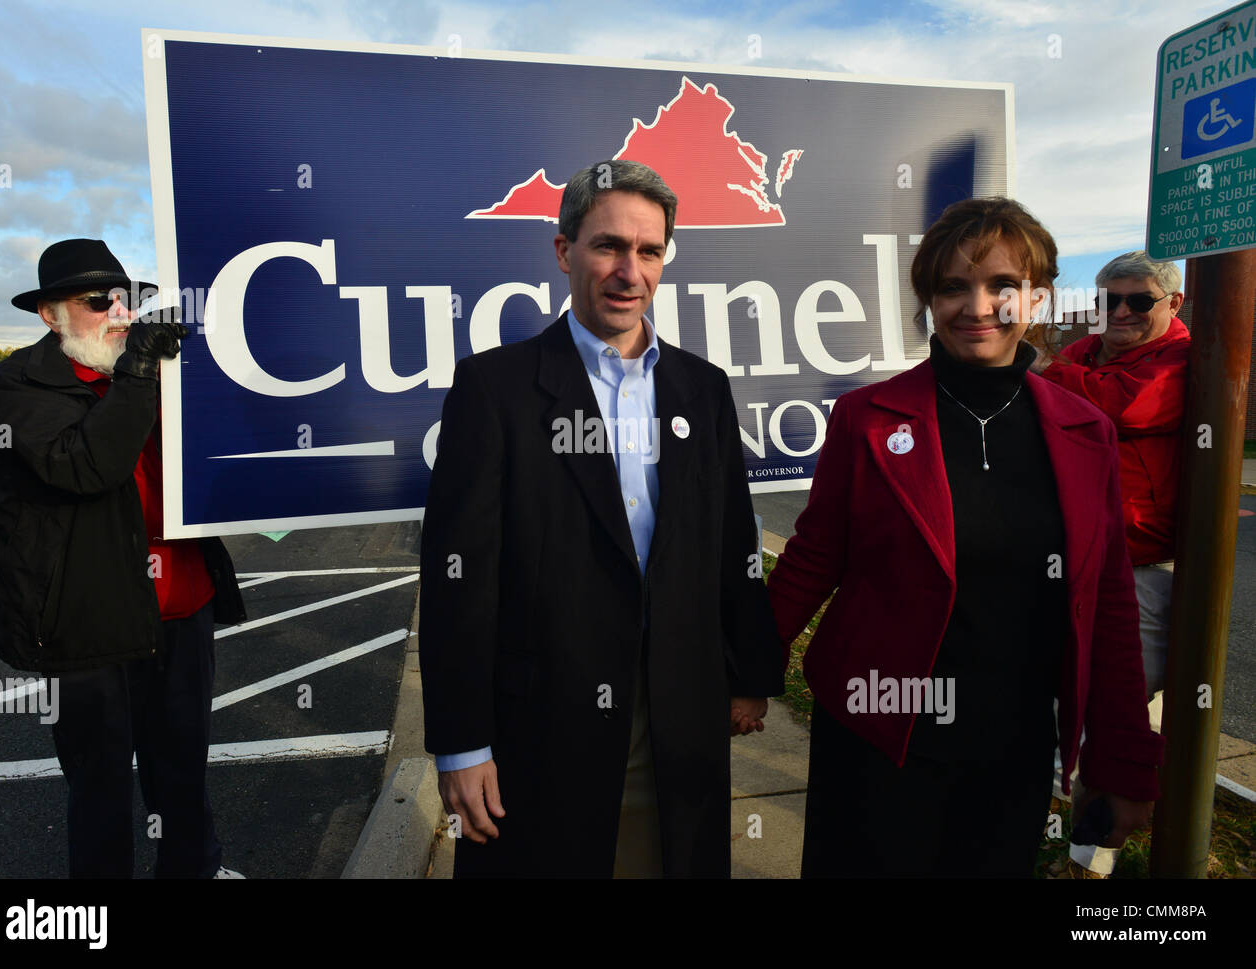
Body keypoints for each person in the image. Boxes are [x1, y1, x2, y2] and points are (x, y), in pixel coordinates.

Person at [766, 198, 1163, 877]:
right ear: (928, 301)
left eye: (1002, 285)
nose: (977, 306)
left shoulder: (1083, 431)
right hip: (876, 733)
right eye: (953, 286)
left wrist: (1121, 755)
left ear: (1035, 297)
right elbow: (812, 557)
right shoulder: (867, 417)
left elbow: (1110, 602)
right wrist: (742, 671)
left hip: (1011, 749)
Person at [419, 160, 782, 877]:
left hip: (677, 715)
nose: (629, 270)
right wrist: (461, 745)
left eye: (649, 251)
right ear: (564, 251)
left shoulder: (701, 389)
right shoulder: (494, 389)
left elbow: (732, 541)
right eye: (608, 246)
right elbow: (458, 577)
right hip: (541, 726)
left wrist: (750, 672)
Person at [0, 239, 246, 878]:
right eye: (98, 302)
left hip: (181, 605)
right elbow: (86, 466)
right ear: (50, 314)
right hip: (85, 618)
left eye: (128, 299)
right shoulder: (14, 386)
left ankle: (194, 872)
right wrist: (139, 375)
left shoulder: (159, 372)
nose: (120, 314)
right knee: (99, 786)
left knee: (181, 767)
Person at [1030, 251, 1188, 876]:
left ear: (1172, 305)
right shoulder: (1083, 358)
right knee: (1063, 695)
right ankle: (1064, 834)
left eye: (1138, 301)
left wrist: (1040, 370)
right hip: (1072, 559)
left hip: (1143, 565)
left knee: (1111, 712)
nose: (1120, 312)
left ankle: (1087, 861)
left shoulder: (1180, 360)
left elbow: (1119, 408)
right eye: (1110, 301)